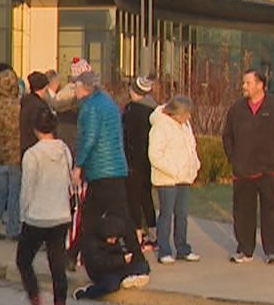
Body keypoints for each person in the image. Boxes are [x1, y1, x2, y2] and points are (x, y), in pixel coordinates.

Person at [218, 69, 274, 265]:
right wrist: (233, 157)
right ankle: (245, 250)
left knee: (272, 212)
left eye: (247, 83)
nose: (243, 87)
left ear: (260, 84)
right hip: (243, 169)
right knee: (243, 212)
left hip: (271, 168)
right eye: (244, 83)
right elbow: (227, 136)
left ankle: (272, 251)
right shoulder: (237, 109)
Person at [71, 58, 142, 274]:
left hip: (101, 169)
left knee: (94, 216)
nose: (73, 89)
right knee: (114, 215)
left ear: (83, 87)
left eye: (75, 85)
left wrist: (78, 165)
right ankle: (75, 254)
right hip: (114, 167)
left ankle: (76, 255)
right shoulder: (107, 102)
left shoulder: (90, 108)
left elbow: (88, 138)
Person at [16, 105, 74, 305]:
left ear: (35, 129)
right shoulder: (64, 150)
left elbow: (27, 188)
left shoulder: (32, 155)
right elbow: (69, 178)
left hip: (37, 216)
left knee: (24, 260)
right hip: (60, 214)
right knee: (57, 265)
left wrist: (23, 213)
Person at [148, 94, 201, 264]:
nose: (189, 117)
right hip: (167, 179)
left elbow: (191, 147)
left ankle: (182, 248)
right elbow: (155, 155)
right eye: (186, 113)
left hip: (184, 177)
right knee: (166, 215)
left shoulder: (185, 126)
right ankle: (164, 250)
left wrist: (195, 165)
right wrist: (173, 170)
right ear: (177, 113)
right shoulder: (160, 127)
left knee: (182, 214)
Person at [0, 68, 26, 239]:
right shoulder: (17, 105)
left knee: (0, 192)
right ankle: (13, 228)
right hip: (15, 154)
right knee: (14, 193)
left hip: (0, 153)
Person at [76, 212, 152, 300]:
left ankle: (128, 279)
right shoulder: (92, 243)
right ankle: (87, 292)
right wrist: (122, 260)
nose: (113, 241)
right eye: (111, 238)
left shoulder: (117, 237)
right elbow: (99, 263)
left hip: (117, 266)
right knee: (112, 284)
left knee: (143, 266)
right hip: (101, 271)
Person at [122, 77, 159, 249]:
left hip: (132, 160)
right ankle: (153, 232)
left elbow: (125, 136)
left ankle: (137, 234)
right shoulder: (155, 111)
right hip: (148, 160)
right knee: (146, 197)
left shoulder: (130, 111)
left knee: (133, 199)